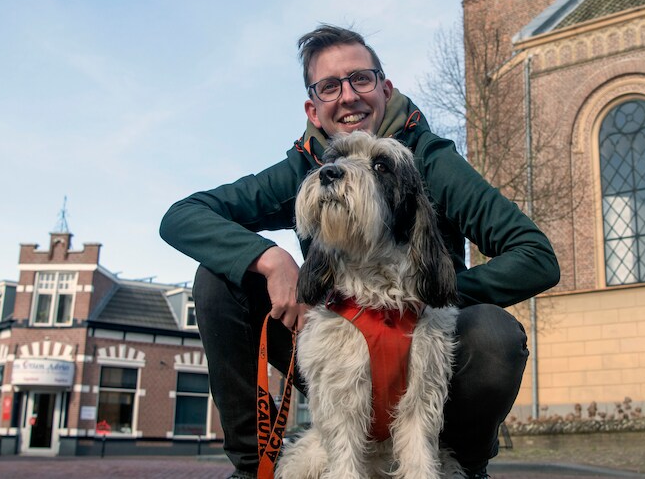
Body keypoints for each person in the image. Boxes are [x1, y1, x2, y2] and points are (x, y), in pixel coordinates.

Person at [160, 24, 559, 479]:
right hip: (333, 345)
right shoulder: (307, 167)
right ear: (314, 108)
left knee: (493, 335)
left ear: (384, 89)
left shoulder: (429, 161)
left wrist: (432, 295)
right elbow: (182, 215)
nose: (347, 96)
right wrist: (273, 260)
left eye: (361, 80)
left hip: (427, 348)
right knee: (217, 279)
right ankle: (255, 468)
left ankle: (464, 466)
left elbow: (536, 256)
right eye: (330, 86)